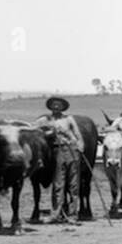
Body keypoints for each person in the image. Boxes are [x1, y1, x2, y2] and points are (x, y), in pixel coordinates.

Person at [37, 96, 84, 224]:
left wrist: (80, 146)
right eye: (54, 104)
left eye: (59, 105)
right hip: (57, 151)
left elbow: (78, 135)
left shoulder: (68, 119)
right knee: (58, 184)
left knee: (74, 185)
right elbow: (37, 132)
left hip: (72, 151)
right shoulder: (45, 120)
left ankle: (73, 215)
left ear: (63, 107)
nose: (56, 107)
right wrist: (50, 133)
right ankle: (55, 214)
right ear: (50, 106)